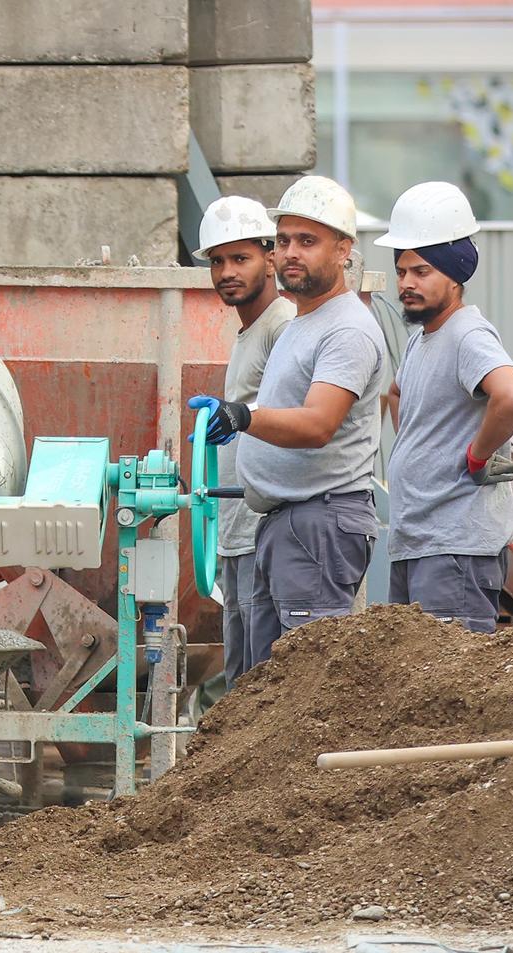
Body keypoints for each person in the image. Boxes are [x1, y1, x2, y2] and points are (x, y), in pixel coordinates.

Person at [189, 176, 387, 664]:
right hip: (287, 523)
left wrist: (241, 417)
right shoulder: (304, 322)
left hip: (317, 523)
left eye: (308, 241)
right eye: (284, 240)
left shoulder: (346, 329)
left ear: (343, 249)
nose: (291, 253)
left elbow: (318, 424)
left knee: (303, 682)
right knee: (267, 687)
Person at [376, 182, 513, 633]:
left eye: (421, 271)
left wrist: (477, 456)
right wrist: (421, 449)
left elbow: (512, 397)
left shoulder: (467, 335)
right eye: (401, 271)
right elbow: (395, 393)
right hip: (419, 543)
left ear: (455, 272)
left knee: (448, 675)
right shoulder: (422, 339)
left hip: (455, 550)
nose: (406, 283)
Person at [192, 196, 294, 688]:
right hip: (236, 531)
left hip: (262, 531)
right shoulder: (250, 331)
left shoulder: (282, 326)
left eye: (240, 258)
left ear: (270, 259)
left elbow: (295, 421)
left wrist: (238, 417)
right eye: (217, 261)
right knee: (240, 681)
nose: (227, 272)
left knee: (258, 684)